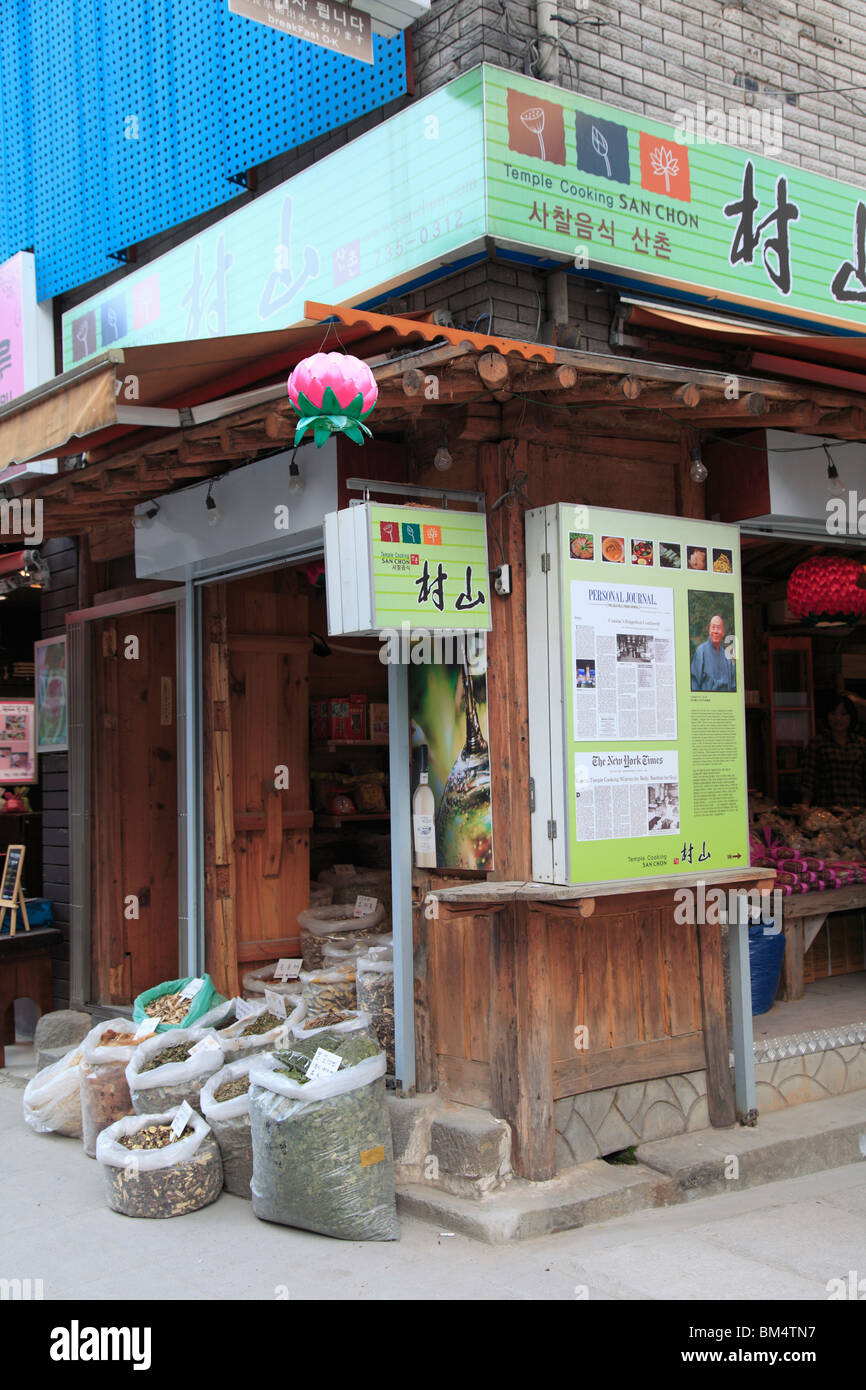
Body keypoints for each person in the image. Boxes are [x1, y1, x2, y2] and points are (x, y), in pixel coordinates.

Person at [800, 694, 866, 808]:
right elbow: (808, 781)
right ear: (827, 716)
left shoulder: (861, 744)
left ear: (851, 717)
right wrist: (805, 806)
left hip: (858, 810)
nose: (838, 719)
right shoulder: (817, 744)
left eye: (843, 714)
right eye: (833, 714)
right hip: (827, 812)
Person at [690, 614, 736, 692]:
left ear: (723, 632)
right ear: (709, 630)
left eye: (718, 628)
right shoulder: (701, 652)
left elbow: (733, 685)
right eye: (713, 627)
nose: (715, 631)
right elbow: (694, 683)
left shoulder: (727, 656)